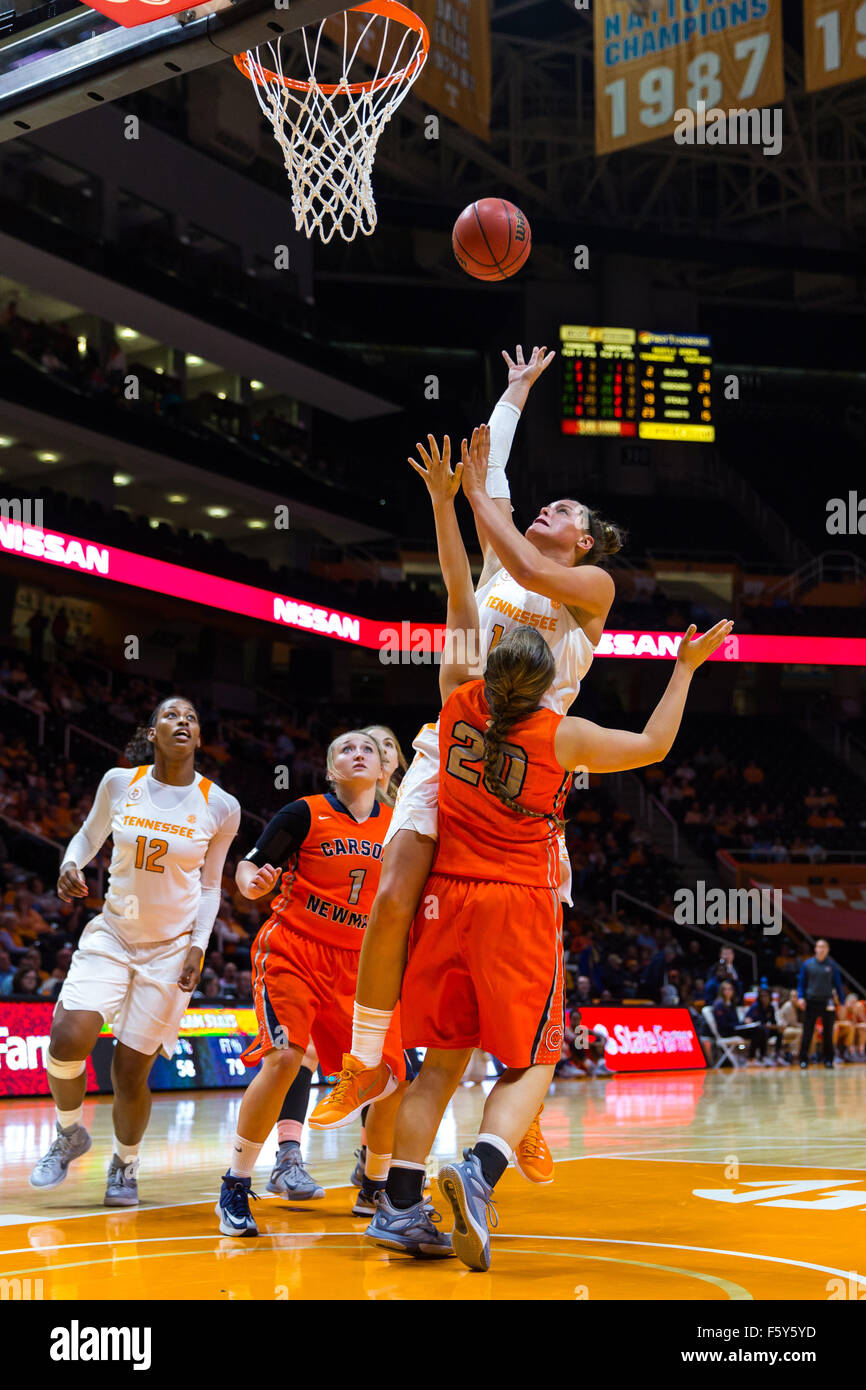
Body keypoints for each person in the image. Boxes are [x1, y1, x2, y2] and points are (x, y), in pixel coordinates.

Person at [362, 424, 732, 1270]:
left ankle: (397, 1201)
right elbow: (650, 749)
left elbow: (463, 588)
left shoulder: (456, 701)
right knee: (533, 1059)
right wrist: (682, 671)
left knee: (439, 1066)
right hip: (520, 897)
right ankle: (484, 1169)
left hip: (445, 893)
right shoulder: (563, 734)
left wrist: (450, 500)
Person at [312, 346, 624, 1129]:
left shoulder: (589, 589)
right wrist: (515, 391)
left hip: (527, 772)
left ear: (584, 542)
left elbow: (509, 529)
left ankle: (520, 1105)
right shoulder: (499, 566)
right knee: (390, 900)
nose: (545, 511)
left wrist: (477, 500)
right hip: (447, 749)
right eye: (541, 504)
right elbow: (494, 477)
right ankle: (367, 1061)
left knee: (524, 952)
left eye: (564, 513)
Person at [29, 697, 240, 1205]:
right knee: (67, 1036)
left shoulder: (221, 805)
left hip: (170, 950)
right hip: (113, 934)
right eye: (171, 715)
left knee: (129, 1071)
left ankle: (124, 1165)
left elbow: (211, 888)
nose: (182, 721)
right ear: (152, 733)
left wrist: (197, 947)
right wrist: (70, 864)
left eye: (191, 716)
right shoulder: (119, 783)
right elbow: (87, 836)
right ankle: (68, 1133)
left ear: (199, 737)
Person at [216, 731, 410, 1239]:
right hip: (295, 951)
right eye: (345, 748)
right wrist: (250, 881)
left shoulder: (401, 826)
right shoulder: (303, 812)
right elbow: (251, 864)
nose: (359, 753)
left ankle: (376, 1185)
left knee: (391, 1076)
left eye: (368, 748)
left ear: (384, 768)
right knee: (284, 1058)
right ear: (330, 770)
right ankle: (236, 1184)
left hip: (362, 966)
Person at [797, 939, 843, 1069]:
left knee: (828, 1032)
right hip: (811, 1001)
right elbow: (801, 983)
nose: (821, 949)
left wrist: (842, 1001)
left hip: (827, 1001)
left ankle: (828, 1059)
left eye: (824, 947)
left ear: (827, 950)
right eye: (819, 947)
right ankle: (803, 1059)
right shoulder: (808, 964)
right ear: (815, 949)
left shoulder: (832, 965)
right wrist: (800, 997)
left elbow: (838, 984)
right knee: (807, 1032)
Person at [362, 725, 407, 806]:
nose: (382, 749)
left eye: (388, 744)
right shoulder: (337, 806)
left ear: (396, 761)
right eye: (372, 743)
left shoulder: (406, 807)